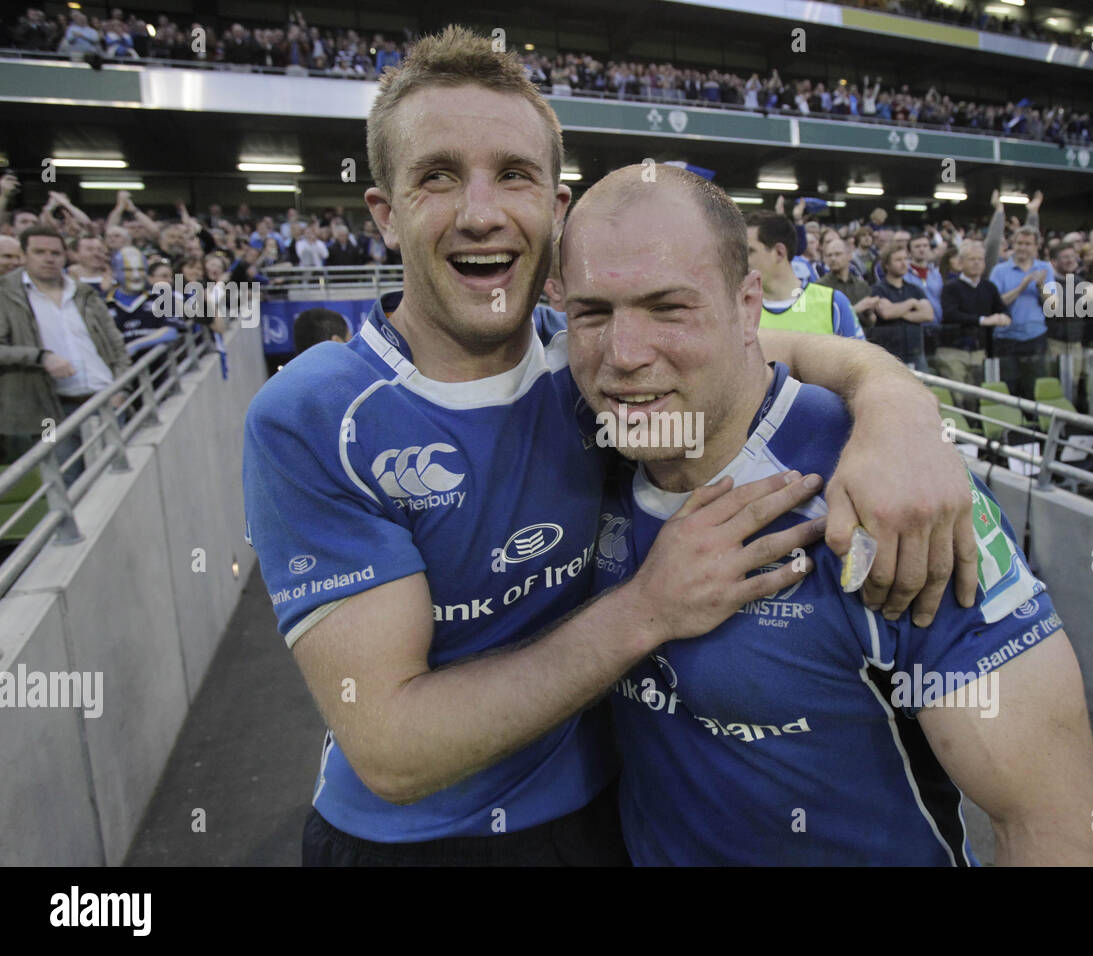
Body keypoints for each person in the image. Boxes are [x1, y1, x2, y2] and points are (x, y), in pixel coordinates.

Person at [241, 26, 977, 868]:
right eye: (438, 176)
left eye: (514, 175)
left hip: (606, 813)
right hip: (419, 845)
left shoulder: (594, 353)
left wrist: (900, 414)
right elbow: (394, 751)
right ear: (385, 212)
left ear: (555, 213)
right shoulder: (314, 415)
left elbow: (765, 350)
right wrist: (650, 608)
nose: (481, 211)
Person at [557, 164, 1093, 865]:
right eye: (593, 313)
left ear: (748, 303)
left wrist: (894, 401)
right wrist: (890, 385)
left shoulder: (891, 491)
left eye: (670, 308)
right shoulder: (583, 437)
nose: (624, 355)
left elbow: (1055, 832)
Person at [0, 226, 128, 473]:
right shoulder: (5, 294)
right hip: (48, 413)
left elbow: (116, 344)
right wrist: (41, 357)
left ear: (65, 256)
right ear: (24, 255)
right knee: (63, 476)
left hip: (104, 401)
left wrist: (121, 387)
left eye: (55, 253)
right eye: (39, 252)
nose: (48, 258)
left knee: (114, 480)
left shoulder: (83, 292)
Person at [746, 211, 862, 339]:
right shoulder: (737, 308)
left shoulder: (833, 304)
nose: (741, 260)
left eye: (749, 251)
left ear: (779, 253)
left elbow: (860, 358)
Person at [989, 226, 1056, 397]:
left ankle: (1035, 422)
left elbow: (1052, 304)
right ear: (1013, 244)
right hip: (1006, 338)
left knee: (1035, 387)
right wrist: (1022, 286)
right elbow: (996, 302)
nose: (1023, 247)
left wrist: (1041, 286)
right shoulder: (1000, 270)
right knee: (1008, 387)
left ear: (1035, 247)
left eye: (1028, 244)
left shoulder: (1044, 268)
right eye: (1019, 243)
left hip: (1035, 337)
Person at [936, 240, 1010, 385]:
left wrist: (1004, 317)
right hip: (953, 351)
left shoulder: (989, 287)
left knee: (977, 395)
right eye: (971, 259)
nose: (976, 263)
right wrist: (982, 320)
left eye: (980, 259)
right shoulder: (951, 288)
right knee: (958, 395)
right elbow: (950, 314)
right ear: (961, 263)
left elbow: (1002, 309)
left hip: (979, 351)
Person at [868, 242, 933, 369]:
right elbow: (886, 313)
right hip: (890, 354)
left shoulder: (915, 289)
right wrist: (912, 303)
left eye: (905, 259)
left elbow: (928, 314)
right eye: (898, 260)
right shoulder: (878, 290)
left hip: (916, 352)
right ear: (887, 265)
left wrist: (897, 311)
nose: (904, 264)